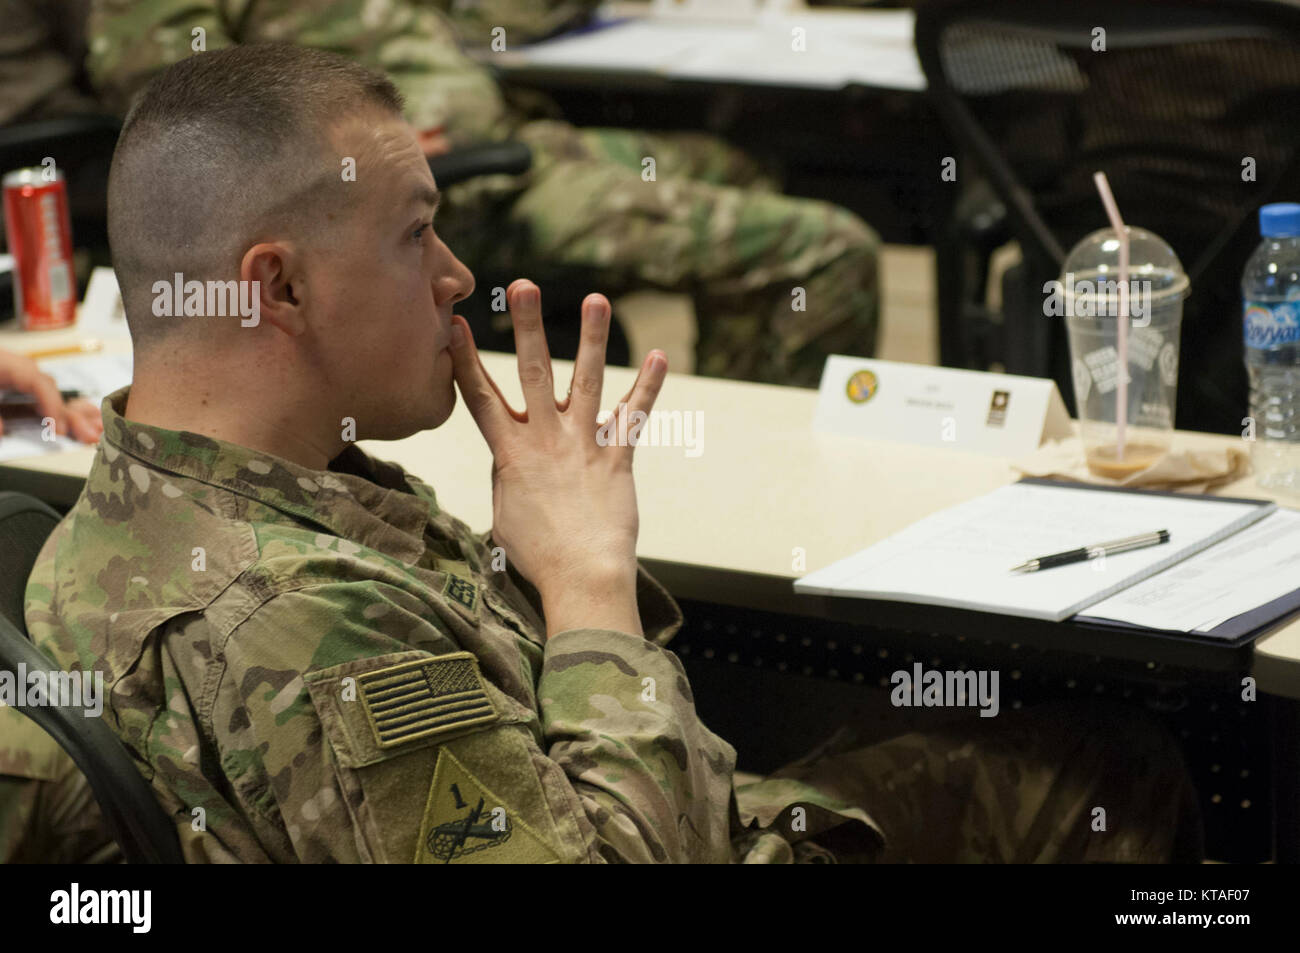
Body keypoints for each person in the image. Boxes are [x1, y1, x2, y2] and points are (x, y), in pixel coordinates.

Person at [25, 45, 1202, 863]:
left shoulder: (118, 510)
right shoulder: (302, 617)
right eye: (417, 233)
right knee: (1108, 764)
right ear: (277, 284)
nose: (455, 278)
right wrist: (587, 577)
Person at [81, 0, 880, 388]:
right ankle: (748, 467)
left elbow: (498, 20)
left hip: (510, 139)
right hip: (424, 191)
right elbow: (172, 101)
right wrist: (351, 147)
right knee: (822, 248)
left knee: (738, 167)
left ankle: (724, 409)